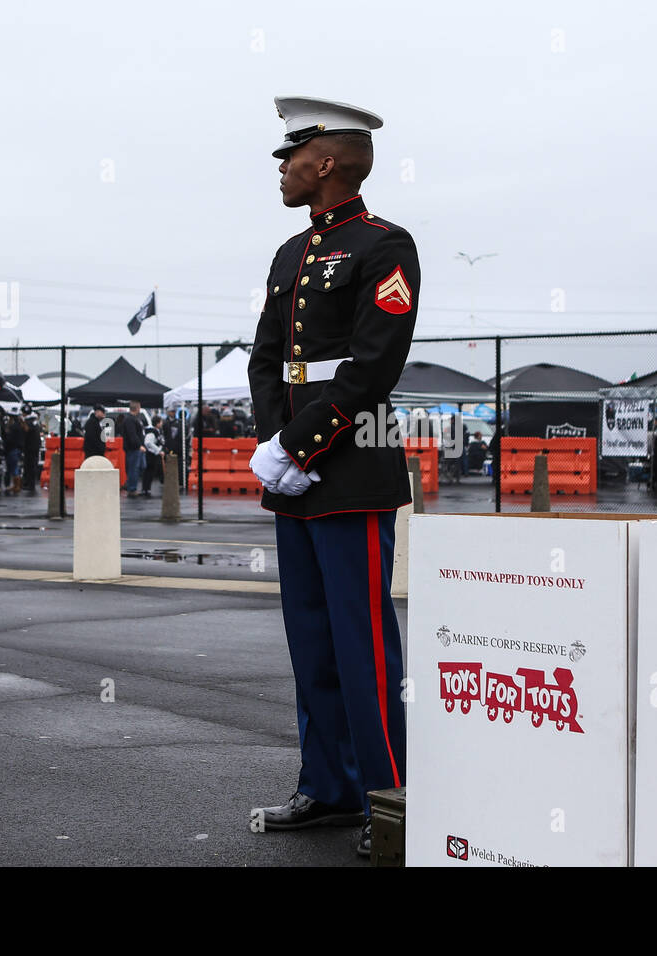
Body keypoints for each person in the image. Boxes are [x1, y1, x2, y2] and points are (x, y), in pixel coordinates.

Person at [246, 96, 417, 858]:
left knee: (362, 643)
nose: (280, 170)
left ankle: (392, 801)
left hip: (349, 468)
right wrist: (273, 447)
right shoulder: (289, 254)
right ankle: (328, 786)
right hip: (297, 473)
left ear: (324, 162)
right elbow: (266, 362)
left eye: (289, 157)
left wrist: (301, 445)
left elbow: (374, 367)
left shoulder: (386, 246)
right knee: (310, 641)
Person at [120, 401, 146, 497]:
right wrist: (139, 445)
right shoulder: (130, 420)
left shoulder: (135, 419)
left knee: (141, 466)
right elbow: (132, 435)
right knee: (133, 469)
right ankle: (132, 488)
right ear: (137, 408)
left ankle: (130, 484)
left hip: (137, 448)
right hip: (134, 448)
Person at [142, 414, 165, 496]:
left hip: (154, 454)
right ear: (157, 423)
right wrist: (158, 450)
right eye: (161, 422)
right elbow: (148, 442)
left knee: (150, 472)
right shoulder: (152, 432)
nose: (162, 423)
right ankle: (146, 489)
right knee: (149, 472)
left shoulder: (157, 431)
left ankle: (147, 488)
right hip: (151, 455)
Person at [3, 411, 25, 494]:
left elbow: (9, 439)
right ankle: (16, 485)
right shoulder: (19, 426)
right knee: (15, 467)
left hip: (12, 449)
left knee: (14, 468)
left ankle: (17, 486)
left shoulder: (12, 427)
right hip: (18, 449)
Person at [23, 412, 42, 494]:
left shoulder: (30, 425)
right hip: (34, 449)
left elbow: (27, 431)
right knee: (32, 466)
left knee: (30, 466)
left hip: (30, 449)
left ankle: (30, 485)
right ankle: (30, 484)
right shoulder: (36, 425)